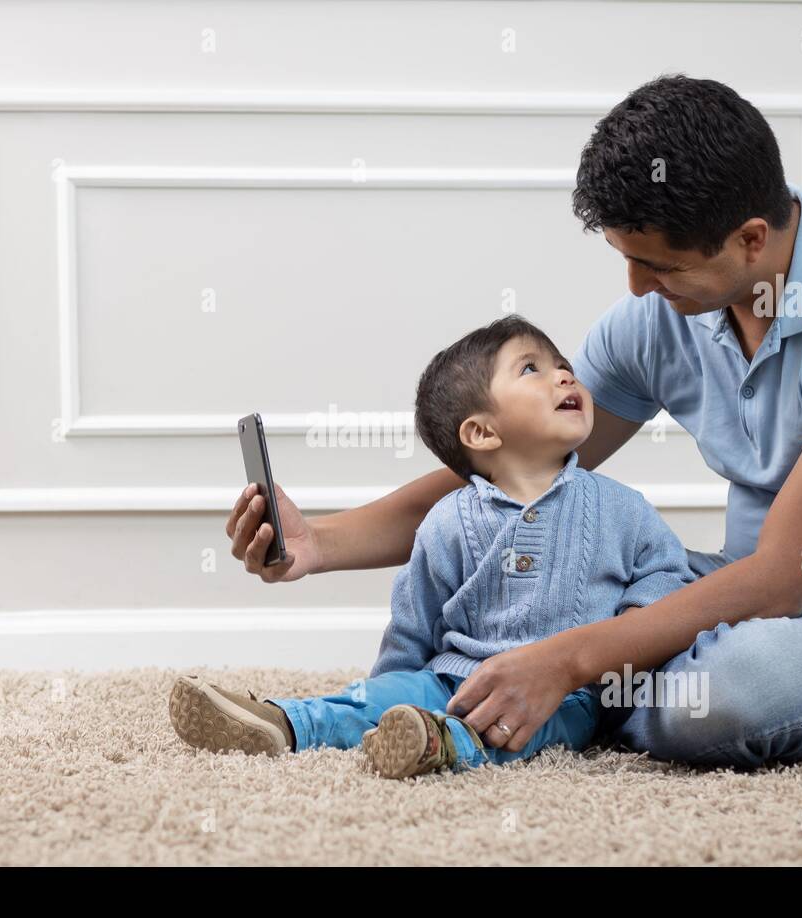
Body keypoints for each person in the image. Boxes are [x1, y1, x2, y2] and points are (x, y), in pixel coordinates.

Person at [224, 75, 802, 769]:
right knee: (552, 570)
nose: (635, 288)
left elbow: (783, 575)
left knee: (720, 699)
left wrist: (570, 659)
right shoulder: (668, 312)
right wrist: (317, 544)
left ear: (750, 240)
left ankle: (568, 700)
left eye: (659, 265)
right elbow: (510, 475)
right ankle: (548, 701)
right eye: (626, 259)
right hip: (746, 591)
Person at [170, 317, 694, 778]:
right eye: (531, 369)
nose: (564, 374)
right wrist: (387, 692)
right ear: (482, 432)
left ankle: (439, 743)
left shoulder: (621, 507)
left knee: (526, 728)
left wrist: (625, 631)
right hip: (453, 678)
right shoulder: (447, 520)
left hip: (566, 694)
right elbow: (414, 617)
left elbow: (665, 572)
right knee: (378, 699)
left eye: (562, 364)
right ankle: (281, 721)